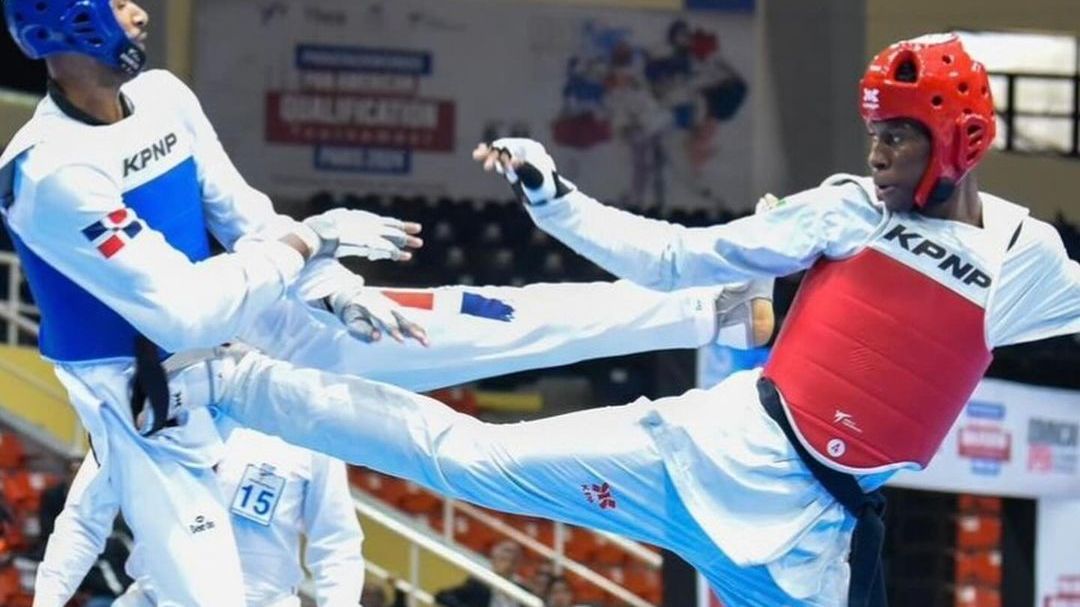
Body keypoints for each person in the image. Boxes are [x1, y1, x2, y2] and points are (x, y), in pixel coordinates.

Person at [157, 33, 1078, 607]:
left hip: (806, 547)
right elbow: (676, 259)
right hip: (696, 454)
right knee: (469, 460)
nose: (876, 154)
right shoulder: (842, 208)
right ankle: (225, 377)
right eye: (873, 130)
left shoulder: (1024, 257)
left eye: (898, 134)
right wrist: (559, 203)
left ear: (957, 136)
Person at [0, 1, 772, 604]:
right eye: (117, 2)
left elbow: (241, 213)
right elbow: (183, 311)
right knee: (208, 593)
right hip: (149, 404)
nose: (138, 14)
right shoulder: (51, 174)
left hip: (247, 324)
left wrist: (331, 287)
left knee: (479, 319)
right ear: (70, 23)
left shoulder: (164, 96)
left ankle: (721, 307)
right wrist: (310, 245)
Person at [34, 422, 364, 607]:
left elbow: (336, 542)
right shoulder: (138, 412)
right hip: (155, 599)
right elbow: (82, 520)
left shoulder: (303, 432)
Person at [434, 539, 526, 607]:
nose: (507, 562)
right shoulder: (478, 583)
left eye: (511, 559)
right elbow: (441, 596)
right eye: (502, 558)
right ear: (493, 559)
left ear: (518, 563)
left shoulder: (524, 590)